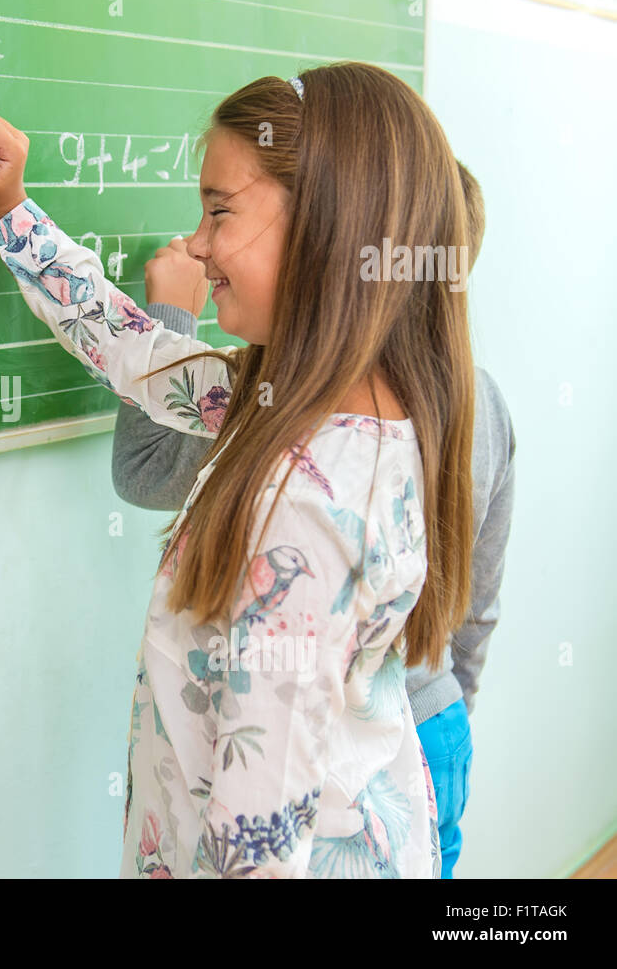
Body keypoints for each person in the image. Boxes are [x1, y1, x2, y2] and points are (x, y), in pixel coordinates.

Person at [0, 62, 476, 877]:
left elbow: (254, 846)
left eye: (219, 210)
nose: (196, 243)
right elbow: (133, 346)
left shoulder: (304, 500)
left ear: (325, 230)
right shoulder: (296, 403)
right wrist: (16, 216)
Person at [108, 162, 514, 877]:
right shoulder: (482, 399)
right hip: (430, 719)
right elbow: (477, 599)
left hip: (357, 753)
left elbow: (144, 471)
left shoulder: (303, 409)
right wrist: (446, 706)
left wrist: (173, 315)